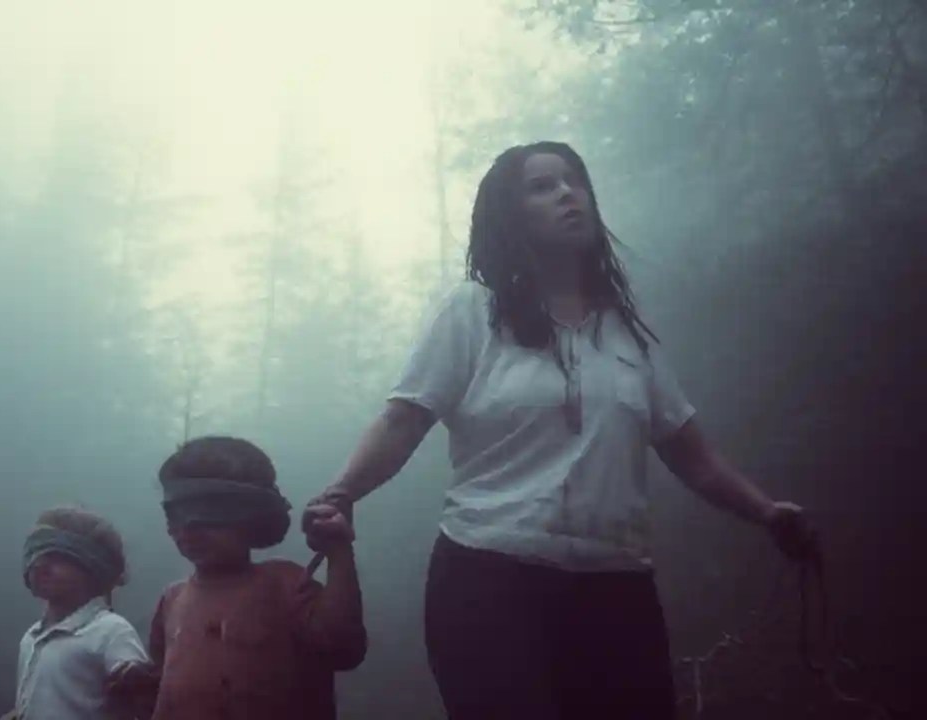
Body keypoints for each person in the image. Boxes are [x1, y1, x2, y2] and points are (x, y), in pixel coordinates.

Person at [301, 141, 816, 720]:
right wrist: (342, 492)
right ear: (510, 214)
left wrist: (767, 512)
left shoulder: (626, 336)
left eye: (573, 181)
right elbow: (404, 419)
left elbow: (693, 455)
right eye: (541, 186)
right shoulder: (474, 311)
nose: (567, 194)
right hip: (490, 579)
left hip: (617, 587)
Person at [148, 435, 366, 720]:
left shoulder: (284, 583)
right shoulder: (171, 601)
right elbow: (160, 684)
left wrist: (338, 552)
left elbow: (344, 648)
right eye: (176, 514)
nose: (189, 528)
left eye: (211, 514)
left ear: (255, 518)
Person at [10, 506, 155, 720]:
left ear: (93, 567)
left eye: (57, 557)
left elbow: (140, 699)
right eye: (35, 554)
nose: (40, 564)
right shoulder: (31, 638)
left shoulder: (110, 631)